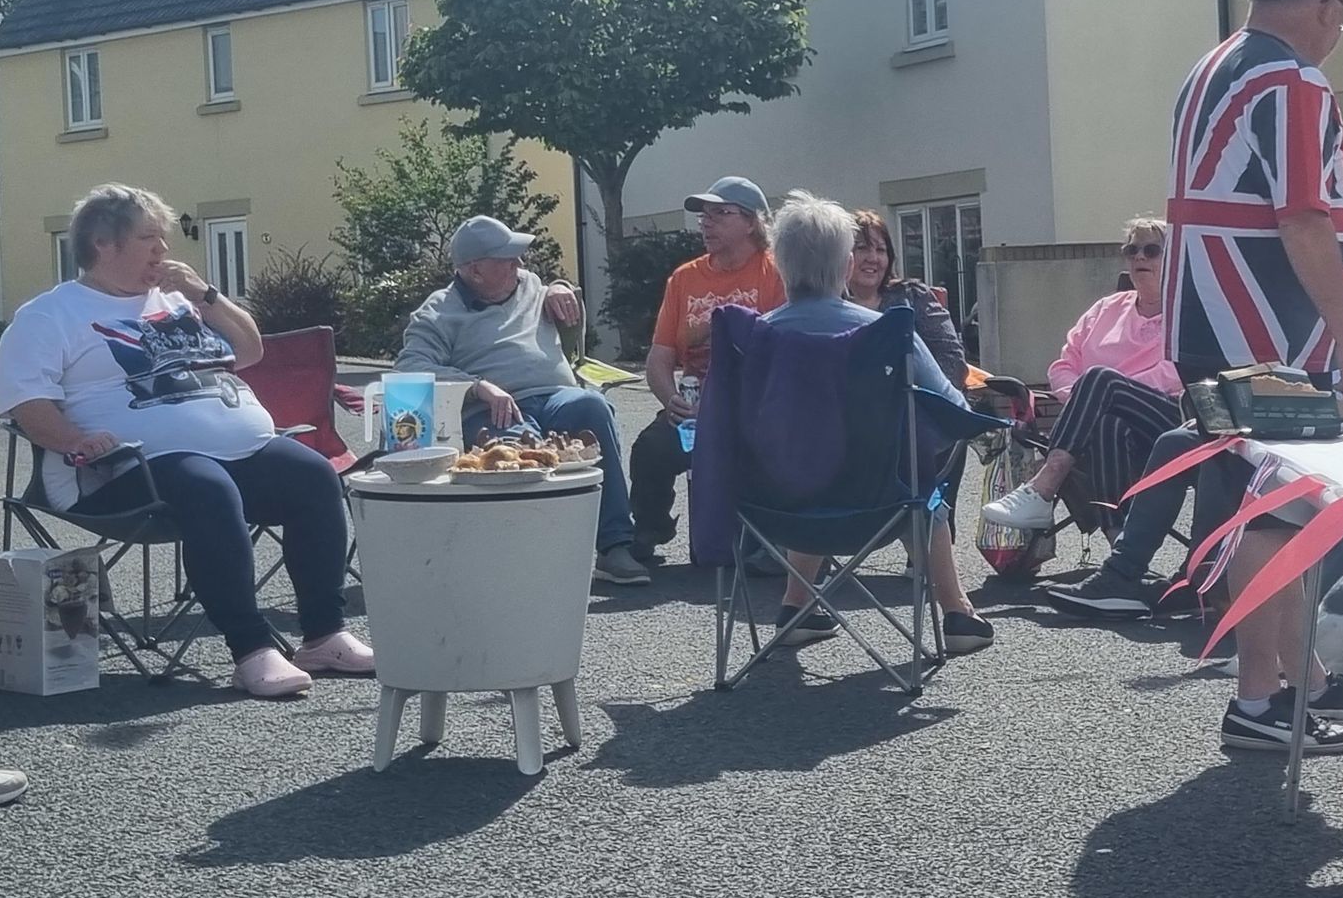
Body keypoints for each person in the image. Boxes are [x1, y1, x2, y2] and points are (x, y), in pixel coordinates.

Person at [0, 185, 370, 697]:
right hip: (120, 471)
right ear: (103, 243)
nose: (163, 250)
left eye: (164, 238)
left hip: (235, 452)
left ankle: (324, 636)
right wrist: (75, 440)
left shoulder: (177, 299)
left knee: (313, 474)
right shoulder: (49, 315)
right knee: (207, 486)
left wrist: (206, 295)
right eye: (148, 238)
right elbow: (27, 402)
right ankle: (251, 649)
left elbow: (250, 351)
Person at [1164, 0, 1343, 755]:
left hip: (1212, 324)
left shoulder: (1213, 68)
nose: (1341, 31)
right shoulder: (1292, 79)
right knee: (1274, 515)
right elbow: (1300, 217)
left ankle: (1306, 681)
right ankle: (1259, 702)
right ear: (1326, 5)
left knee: (1274, 509)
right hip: (1262, 334)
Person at [1044, 220, 1343, 622]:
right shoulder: (1337, 317)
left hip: (1328, 432)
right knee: (1178, 440)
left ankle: (1200, 577)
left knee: (1221, 441)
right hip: (1279, 413)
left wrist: (1299, 401)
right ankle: (1125, 573)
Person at [758, 194, 993, 655]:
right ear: (846, 265)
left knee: (812, 462)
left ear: (779, 266)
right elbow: (951, 408)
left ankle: (795, 605)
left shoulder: (752, 335)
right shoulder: (886, 331)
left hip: (772, 507)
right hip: (880, 503)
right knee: (917, 478)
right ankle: (957, 612)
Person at [396, 215, 642, 584]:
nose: (519, 263)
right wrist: (477, 386)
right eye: (507, 257)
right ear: (474, 270)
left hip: (554, 397)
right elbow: (410, 366)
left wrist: (560, 287)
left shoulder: (530, 285)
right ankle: (528, 560)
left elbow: (556, 290)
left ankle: (614, 544)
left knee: (591, 407)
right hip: (493, 409)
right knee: (515, 450)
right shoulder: (439, 311)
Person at [980, 217, 1183, 534]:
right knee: (1108, 423)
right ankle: (1118, 539)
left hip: (1164, 421)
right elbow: (1063, 366)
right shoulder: (1105, 309)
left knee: (1102, 380)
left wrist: (1106, 391)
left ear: (1174, 258)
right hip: (1104, 425)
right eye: (1132, 250)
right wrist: (1088, 399)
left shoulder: (1186, 312)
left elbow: (1175, 373)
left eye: (1152, 250)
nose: (1139, 257)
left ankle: (1045, 485)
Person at [630, 177, 786, 563]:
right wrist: (670, 399)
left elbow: (784, 354)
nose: (706, 223)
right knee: (650, 449)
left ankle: (773, 540)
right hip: (694, 407)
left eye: (720, 213)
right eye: (703, 215)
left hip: (755, 406)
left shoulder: (776, 272)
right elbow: (660, 357)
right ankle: (649, 532)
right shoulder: (685, 278)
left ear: (751, 222)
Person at [848, 209, 968, 550]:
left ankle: (927, 541)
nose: (872, 258)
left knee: (936, 424)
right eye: (862, 248)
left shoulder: (912, 297)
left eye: (880, 249)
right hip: (850, 426)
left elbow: (952, 360)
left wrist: (907, 397)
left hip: (913, 416)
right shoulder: (829, 304)